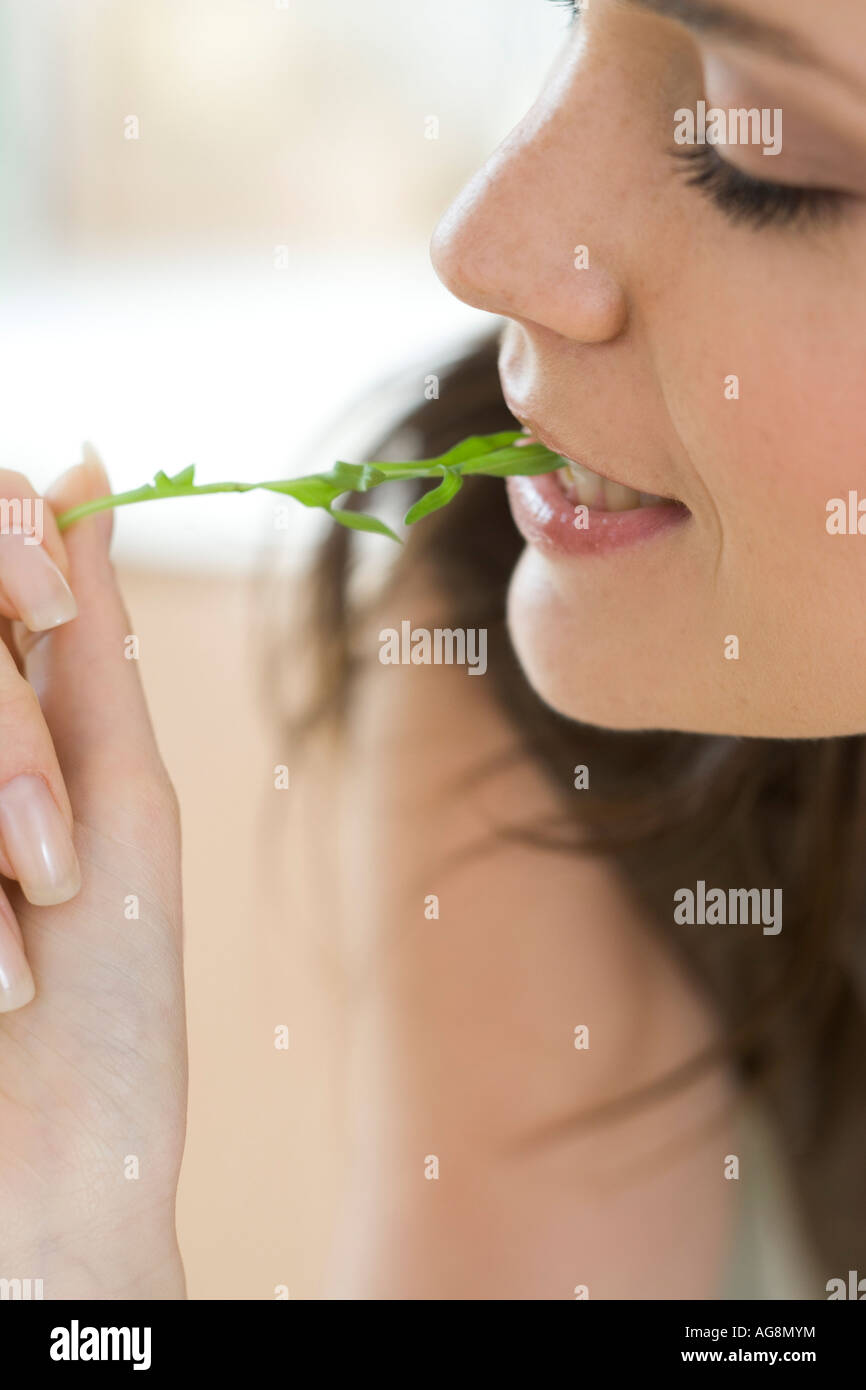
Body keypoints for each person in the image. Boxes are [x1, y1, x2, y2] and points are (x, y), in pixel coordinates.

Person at [1, 0, 864, 1298]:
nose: (480, 244)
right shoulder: (551, 569)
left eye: (756, 152)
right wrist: (67, 1237)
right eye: (566, 24)